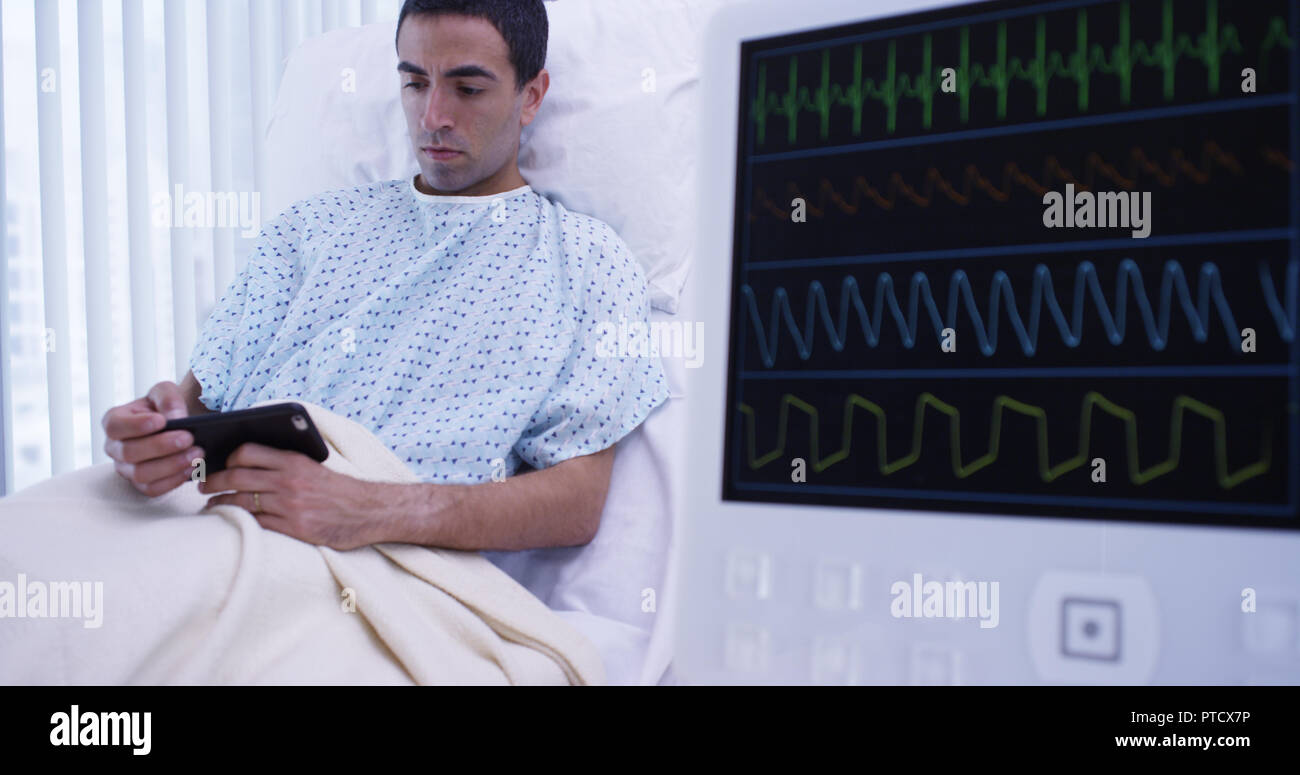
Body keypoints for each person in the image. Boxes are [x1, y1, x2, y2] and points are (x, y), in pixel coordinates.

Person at [100, 0, 669, 554]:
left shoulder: (587, 261)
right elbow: (197, 418)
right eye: (416, 83)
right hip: (213, 529)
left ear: (531, 96)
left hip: (374, 568)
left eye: (468, 89)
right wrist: (158, 447)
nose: (433, 118)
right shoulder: (309, 229)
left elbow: (576, 503)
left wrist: (366, 510)